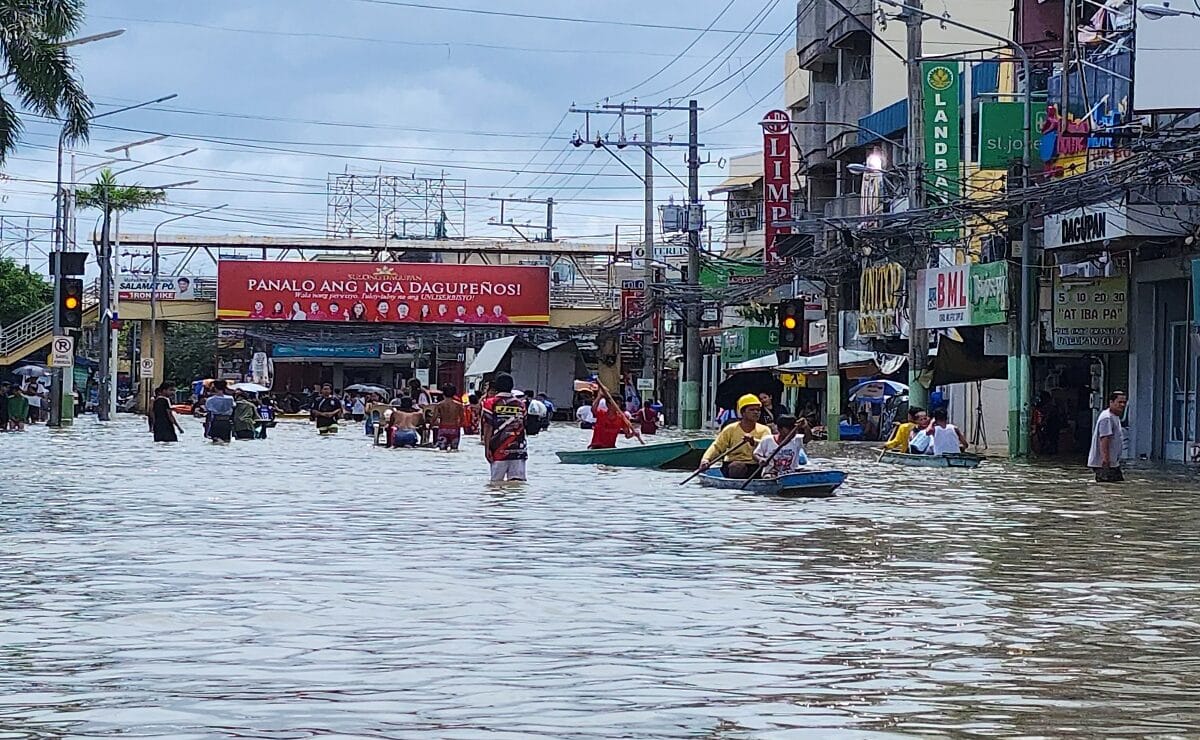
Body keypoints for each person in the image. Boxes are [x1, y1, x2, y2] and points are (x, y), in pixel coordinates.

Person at [697, 394, 772, 479]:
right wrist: (706, 460)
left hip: (757, 465)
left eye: (758, 410)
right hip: (733, 465)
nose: (756, 412)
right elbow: (717, 447)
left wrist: (753, 441)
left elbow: (769, 447)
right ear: (743, 412)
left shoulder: (765, 430)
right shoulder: (730, 429)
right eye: (752, 410)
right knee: (737, 467)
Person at [481, 372, 528, 482]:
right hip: (518, 450)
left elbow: (488, 427)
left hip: (498, 449)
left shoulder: (489, 403)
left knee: (496, 485)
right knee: (517, 485)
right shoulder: (521, 404)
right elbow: (524, 425)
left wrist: (487, 448)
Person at [1088, 391, 1127, 483]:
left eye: (1124, 402)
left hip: (1113, 463)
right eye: (1119, 402)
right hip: (1105, 464)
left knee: (1117, 487)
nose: (1122, 405)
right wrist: (1105, 461)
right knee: (1106, 488)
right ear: (1111, 402)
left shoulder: (1115, 417)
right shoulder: (1107, 418)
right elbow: (1104, 440)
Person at [588, 385, 633, 449]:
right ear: (608, 404)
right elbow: (593, 409)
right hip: (597, 447)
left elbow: (627, 435)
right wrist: (599, 396)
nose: (617, 406)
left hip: (611, 447)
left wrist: (634, 433)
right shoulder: (601, 414)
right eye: (615, 403)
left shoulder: (622, 417)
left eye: (619, 404)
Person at [430, 384, 465, 451]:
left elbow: (434, 418)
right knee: (454, 450)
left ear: (443, 393)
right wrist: (458, 426)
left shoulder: (439, 405)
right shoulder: (459, 405)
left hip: (443, 428)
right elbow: (462, 419)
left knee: (442, 450)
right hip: (454, 429)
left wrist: (430, 426)